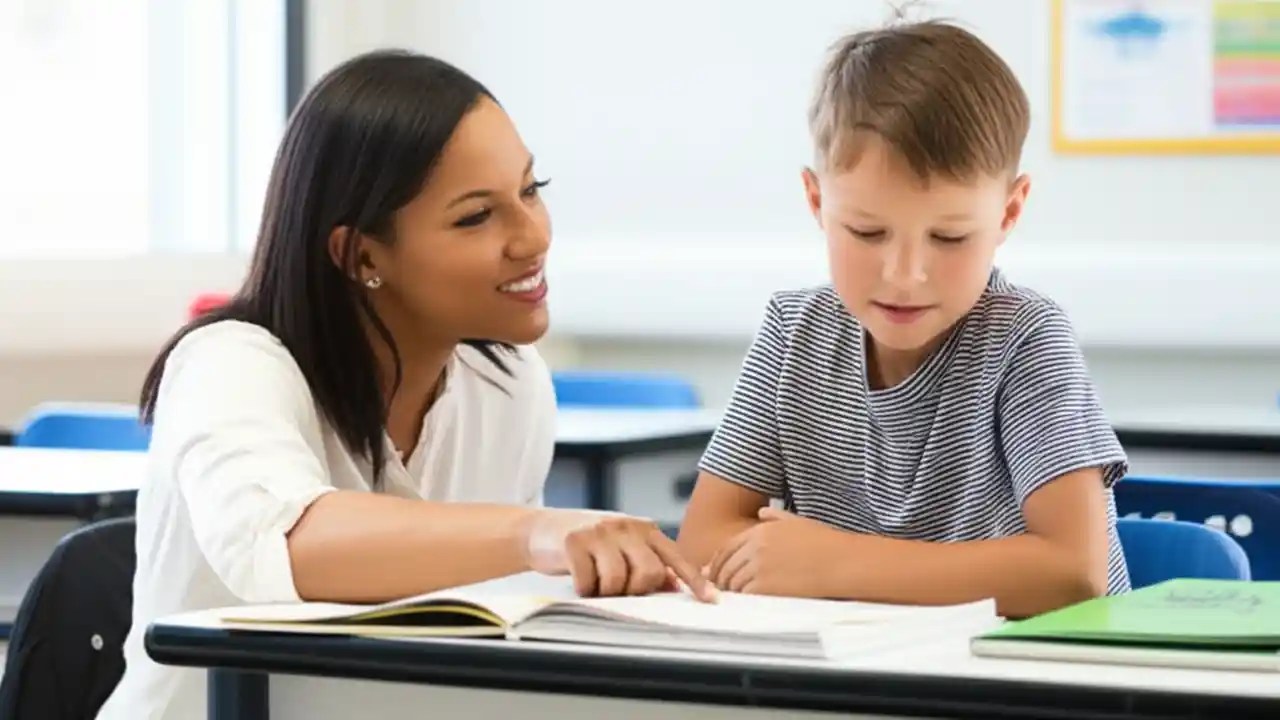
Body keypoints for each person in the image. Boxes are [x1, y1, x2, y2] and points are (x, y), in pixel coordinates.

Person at [99, 50, 711, 720]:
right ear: (361, 254)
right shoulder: (230, 363)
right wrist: (535, 533)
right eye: (476, 217)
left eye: (532, 190)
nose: (532, 236)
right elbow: (285, 547)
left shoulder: (508, 384)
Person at [677, 20, 1129, 618]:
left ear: (1009, 212)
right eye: (867, 232)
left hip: (1033, 681)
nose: (905, 274)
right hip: (873, 672)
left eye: (949, 236)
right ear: (817, 201)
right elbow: (701, 542)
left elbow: (1071, 573)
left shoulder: (1026, 337)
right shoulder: (794, 330)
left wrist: (833, 563)